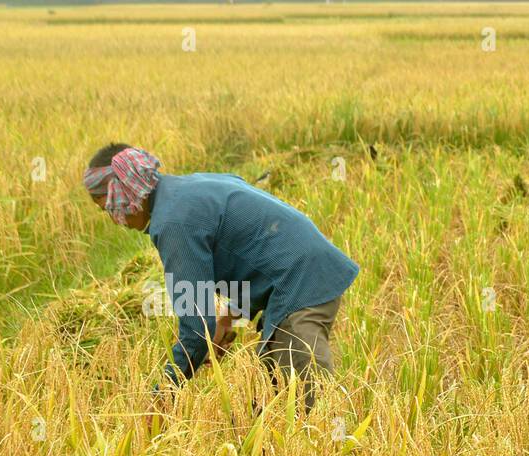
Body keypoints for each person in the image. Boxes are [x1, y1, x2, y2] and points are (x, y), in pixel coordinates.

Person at [83, 143, 359, 410]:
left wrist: (165, 394)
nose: (114, 219)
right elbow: (249, 249)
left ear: (127, 191)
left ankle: (345, 453)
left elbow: (195, 327)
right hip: (298, 272)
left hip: (301, 281)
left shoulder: (174, 223)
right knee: (273, 397)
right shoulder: (188, 189)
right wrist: (230, 317)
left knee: (308, 405)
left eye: (108, 207)